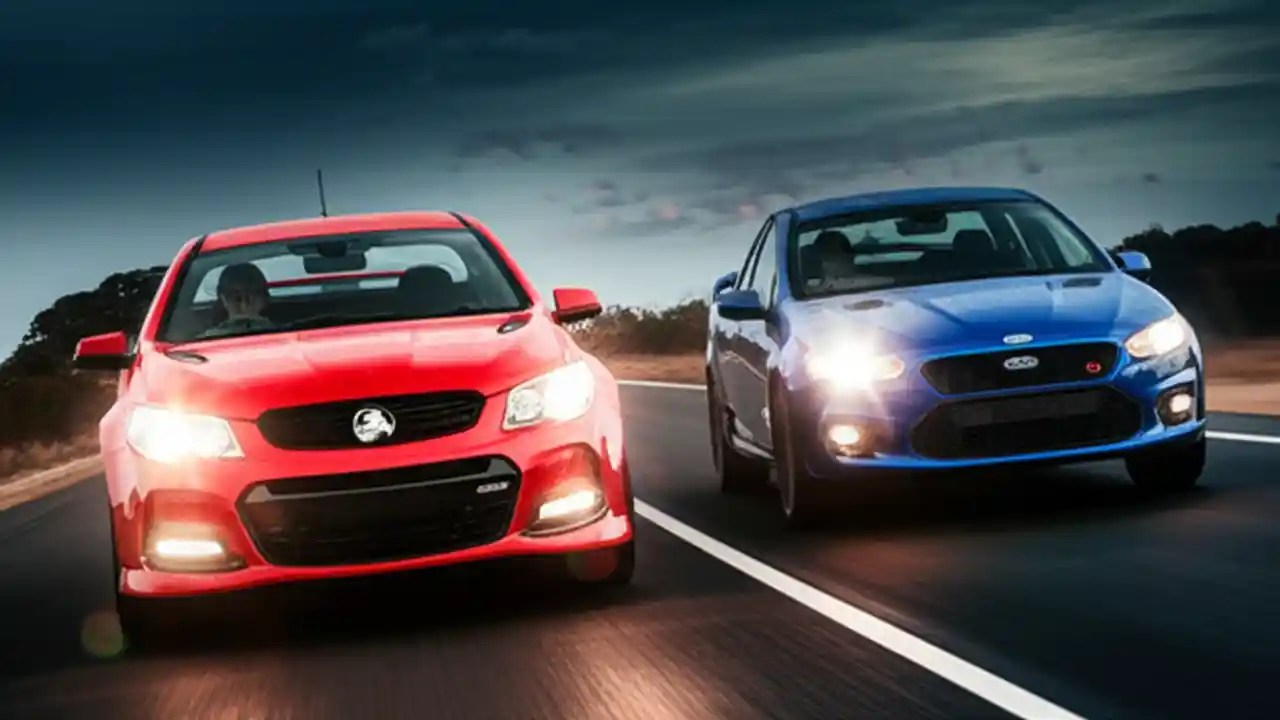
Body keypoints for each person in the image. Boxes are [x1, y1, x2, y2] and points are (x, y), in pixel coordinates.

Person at [200, 262, 274, 338]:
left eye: (249, 296)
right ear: (224, 299)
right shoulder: (206, 340)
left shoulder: (280, 335)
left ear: (263, 299)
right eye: (237, 298)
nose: (243, 305)